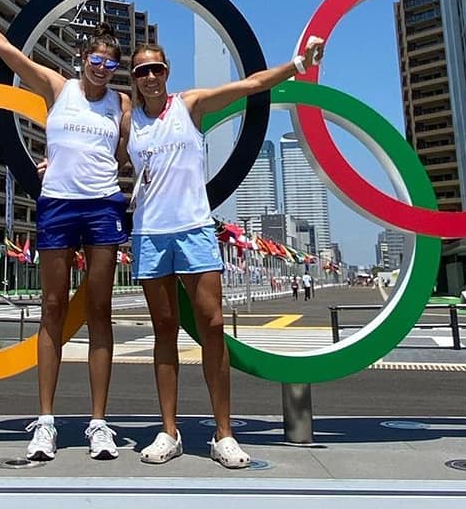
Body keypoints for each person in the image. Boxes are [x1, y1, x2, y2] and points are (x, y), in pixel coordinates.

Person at [0, 0, 129, 461]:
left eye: (109, 65)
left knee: (99, 312)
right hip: (59, 205)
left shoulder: (121, 104)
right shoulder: (56, 87)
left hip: (104, 206)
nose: (101, 70)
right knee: (52, 308)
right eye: (96, 61)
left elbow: (129, 151)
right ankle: (45, 421)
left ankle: (99, 423)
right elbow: (2, 46)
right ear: (83, 58)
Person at [124, 36, 325, 469]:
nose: (150, 76)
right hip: (149, 235)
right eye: (142, 71)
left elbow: (252, 84)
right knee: (164, 329)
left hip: (194, 229)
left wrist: (296, 63)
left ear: (167, 72)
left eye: (156, 68)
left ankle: (224, 434)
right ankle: (169, 432)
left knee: (212, 325)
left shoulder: (190, 105)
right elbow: (97, 145)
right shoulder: (130, 121)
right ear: (134, 79)